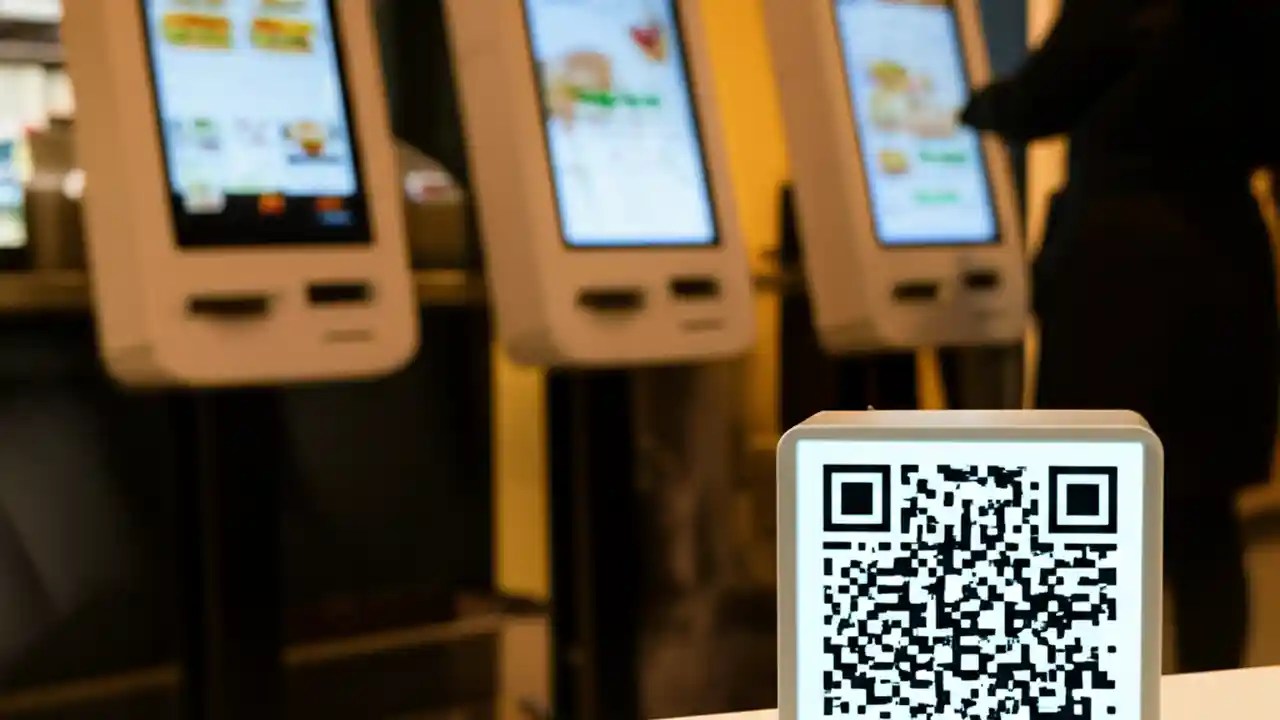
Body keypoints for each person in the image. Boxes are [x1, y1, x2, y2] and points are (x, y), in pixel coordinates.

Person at [961, 0, 1280, 672]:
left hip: (1125, 278)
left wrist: (965, 106)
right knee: (1204, 523)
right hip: (1227, 262)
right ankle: (1211, 700)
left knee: (1093, 509)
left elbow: (1040, 100)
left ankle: (1083, 688)